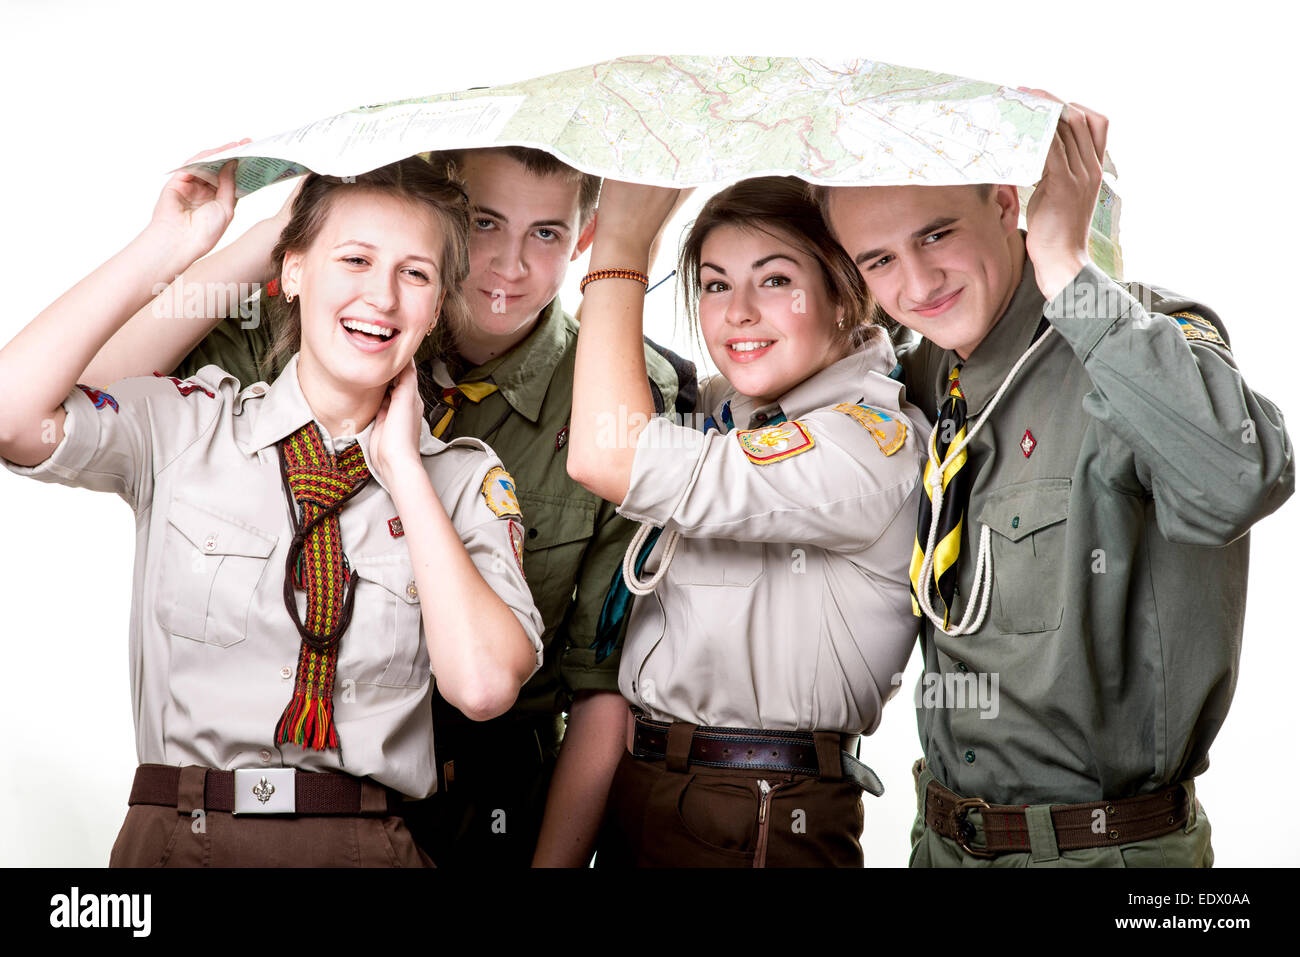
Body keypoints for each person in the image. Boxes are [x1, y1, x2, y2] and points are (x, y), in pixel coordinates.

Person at [82, 146, 691, 867]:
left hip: (497, 783)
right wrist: (288, 225)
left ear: (582, 238)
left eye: (548, 234)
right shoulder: (332, 322)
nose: (509, 265)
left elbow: (601, 682)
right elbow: (92, 388)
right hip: (313, 783)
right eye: (486, 224)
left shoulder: (622, 390)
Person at [0, 153, 544, 866]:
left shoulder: (465, 480)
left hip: (363, 843)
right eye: (354, 258)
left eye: (414, 273)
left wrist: (406, 470)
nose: (381, 297)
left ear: (437, 306)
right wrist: (176, 245)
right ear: (290, 271)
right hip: (181, 836)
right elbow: (14, 417)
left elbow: (480, 686)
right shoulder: (189, 428)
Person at [815, 93, 1295, 866]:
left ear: (1009, 203)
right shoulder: (921, 379)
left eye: (937, 234)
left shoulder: (1140, 332)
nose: (917, 281)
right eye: (879, 261)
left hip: (1109, 853)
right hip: (939, 843)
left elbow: (1242, 477)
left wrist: (1069, 266)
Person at [566, 175, 930, 867]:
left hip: (756, 812)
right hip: (648, 785)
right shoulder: (723, 411)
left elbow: (606, 453)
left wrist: (620, 243)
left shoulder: (864, 444)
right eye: (713, 283)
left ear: (845, 292)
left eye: (774, 281)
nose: (737, 312)